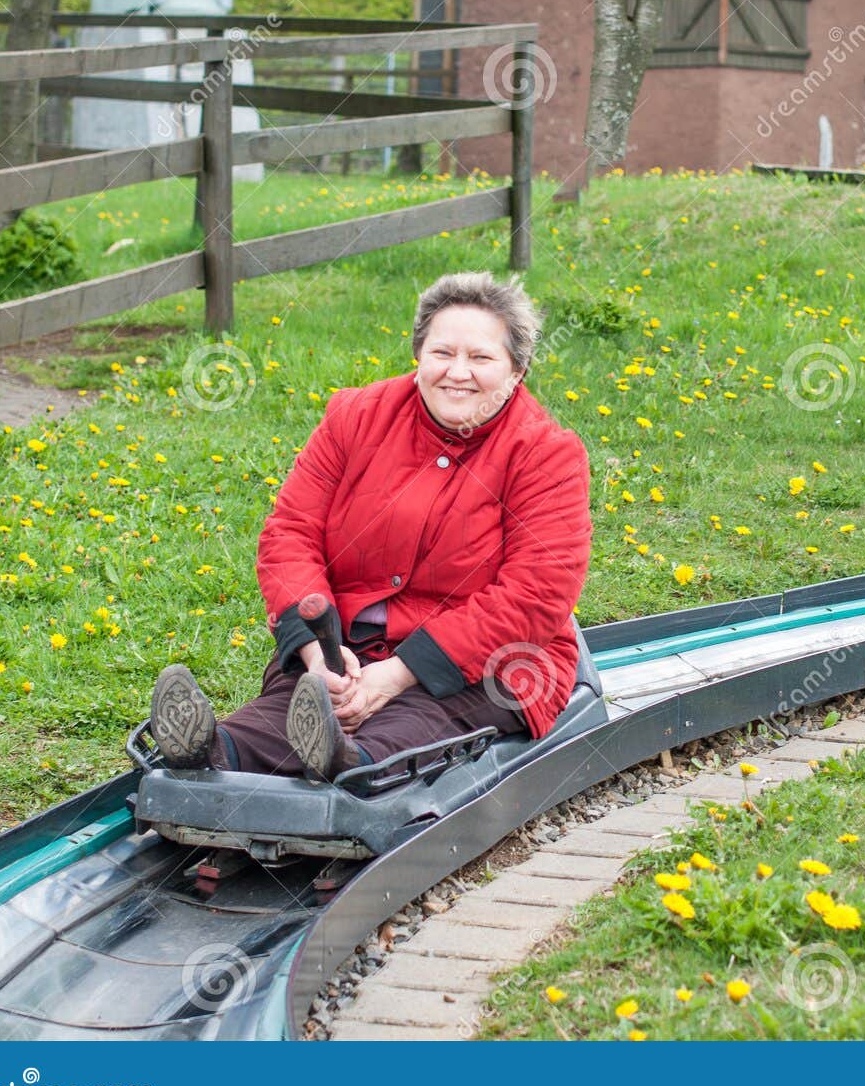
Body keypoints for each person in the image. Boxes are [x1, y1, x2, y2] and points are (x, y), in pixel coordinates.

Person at [144, 272, 592, 782]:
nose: (458, 373)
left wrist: (400, 673)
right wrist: (319, 653)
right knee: (298, 708)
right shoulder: (354, 416)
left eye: (482, 358)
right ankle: (213, 749)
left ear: (517, 370)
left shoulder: (546, 453)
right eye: (442, 353)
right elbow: (291, 533)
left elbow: (536, 595)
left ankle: (352, 765)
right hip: (346, 650)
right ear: (418, 356)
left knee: (414, 720)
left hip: (484, 667)